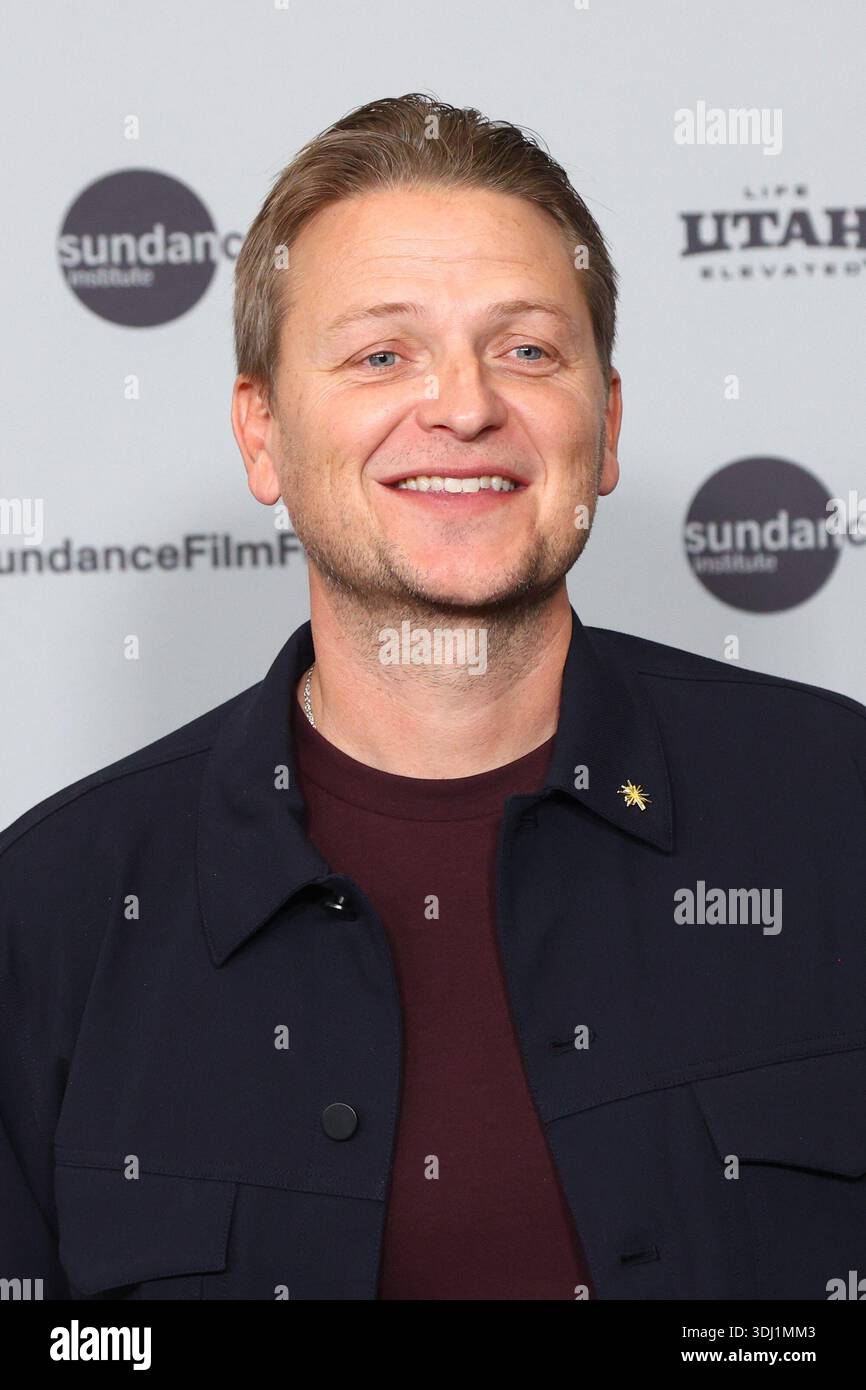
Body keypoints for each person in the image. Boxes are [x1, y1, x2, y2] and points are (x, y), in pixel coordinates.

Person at [2, 93, 865, 1302]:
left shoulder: (838, 813)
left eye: (525, 349)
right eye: (379, 354)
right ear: (262, 436)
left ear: (602, 426)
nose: (462, 406)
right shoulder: (53, 913)